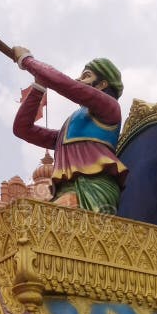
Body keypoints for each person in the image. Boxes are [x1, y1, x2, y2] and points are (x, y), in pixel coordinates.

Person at [11, 46, 128, 214]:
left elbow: (66, 85)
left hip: (93, 189)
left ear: (103, 84)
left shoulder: (110, 107)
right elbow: (22, 129)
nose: (78, 80)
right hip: (64, 191)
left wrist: (27, 60)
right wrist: (38, 88)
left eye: (86, 76)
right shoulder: (71, 126)